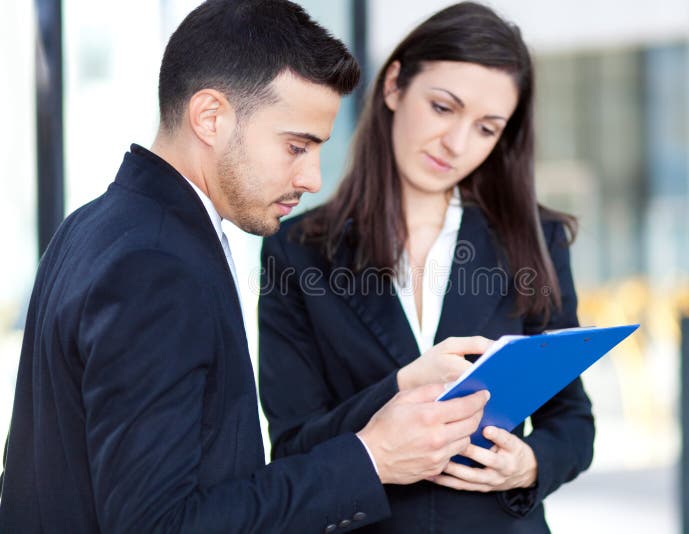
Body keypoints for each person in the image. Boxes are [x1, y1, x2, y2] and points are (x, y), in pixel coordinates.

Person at [0, 1, 491, 532]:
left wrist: (393, 391)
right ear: (210, 117)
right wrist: (372, 458)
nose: (312, 179)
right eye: (296, 146)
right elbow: (161, 524)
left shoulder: (96, 225)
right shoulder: (157, 265)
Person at [258, 2, 596, 532]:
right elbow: (295, 446)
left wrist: (528, 465)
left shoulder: (533, 240)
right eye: (443, 107)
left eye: (487, 128)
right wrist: (402, 385)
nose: (457, 144)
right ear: (394, 86)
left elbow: (572, 421)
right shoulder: (298, 252)